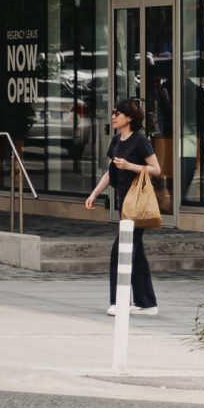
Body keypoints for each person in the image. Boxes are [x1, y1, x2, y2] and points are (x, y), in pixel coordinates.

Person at [86, 97, 159, 317]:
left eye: (118, 113)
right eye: (113, 113)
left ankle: (119, 301)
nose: (114, 116)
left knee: (121, 250)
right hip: (123, 203)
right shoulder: (117, 140)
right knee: (135, 254)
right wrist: (94, 193)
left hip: (136, 204)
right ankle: (147, 304)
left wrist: (130, 166)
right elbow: (111, 172)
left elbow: (156, 168)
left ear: (129, 118)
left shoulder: (140, 140)